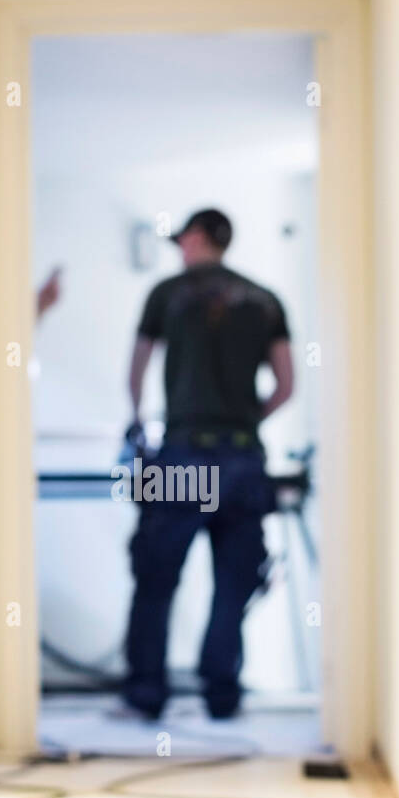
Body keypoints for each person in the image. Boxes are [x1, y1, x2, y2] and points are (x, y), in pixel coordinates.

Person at [123, 208, 294, 720]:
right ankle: (222, 694)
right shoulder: (265, 301)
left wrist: (138, 425)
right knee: (233, 581)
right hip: (242, 458)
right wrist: (247, 423)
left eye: (183, 240)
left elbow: (135, 371)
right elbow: (286, 387)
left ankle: (148, 693)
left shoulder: (167, 294)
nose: (180, 249)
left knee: (156, 578)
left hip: (182, 454)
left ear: (197, 239)